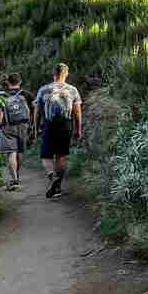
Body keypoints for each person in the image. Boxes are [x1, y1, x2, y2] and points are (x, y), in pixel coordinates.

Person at [33, 62, 83, 200]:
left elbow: (37, 111)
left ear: (53, 74)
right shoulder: (72, 90)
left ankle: (52, 176)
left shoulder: (43, 89)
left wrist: (36, 127)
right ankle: (58, 187)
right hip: (65, 124)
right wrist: (78, 129)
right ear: (66, 74)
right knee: (61, 155)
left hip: (49, 124)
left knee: (46, 155)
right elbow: (77, 111)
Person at [0, 73, 33, 191]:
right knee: (20, 151)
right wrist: (33, 124)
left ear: (7, 82)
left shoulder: (0, 95)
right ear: (20, 82)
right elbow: (34, 109)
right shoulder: (26, 94)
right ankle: (17, 175)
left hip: (7, 127)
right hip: (23, 126)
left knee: (11, 153)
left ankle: (15, 179)